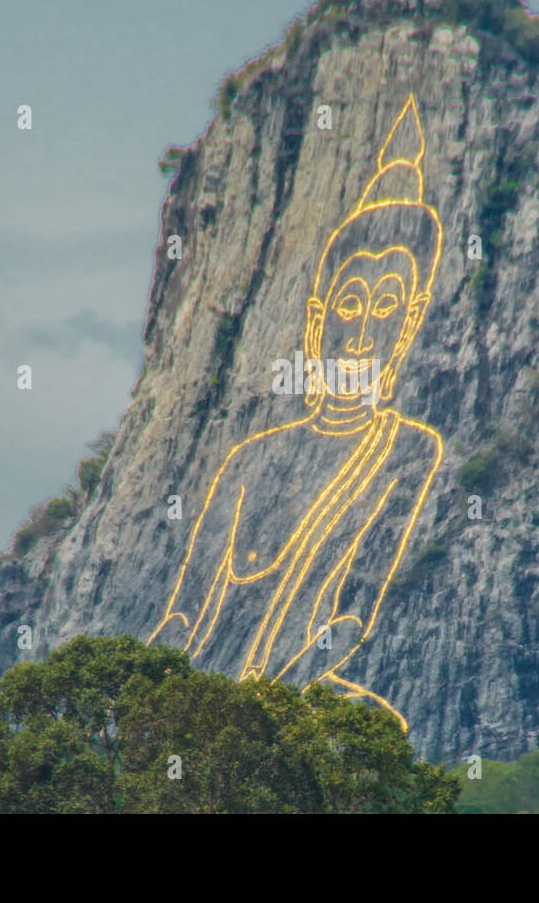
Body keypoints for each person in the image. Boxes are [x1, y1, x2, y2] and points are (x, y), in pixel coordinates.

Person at [148, 94, 445, 730]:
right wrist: (139, 697)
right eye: (347, 307)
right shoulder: (249, 459)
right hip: (211, 705)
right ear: (315, 327)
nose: (362, 334)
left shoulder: (410, 450)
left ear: (411, 323)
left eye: (386, 308)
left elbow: (354, 615)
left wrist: (271, 706)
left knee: (378, 734)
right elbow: (182, 616)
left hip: (297, 697)